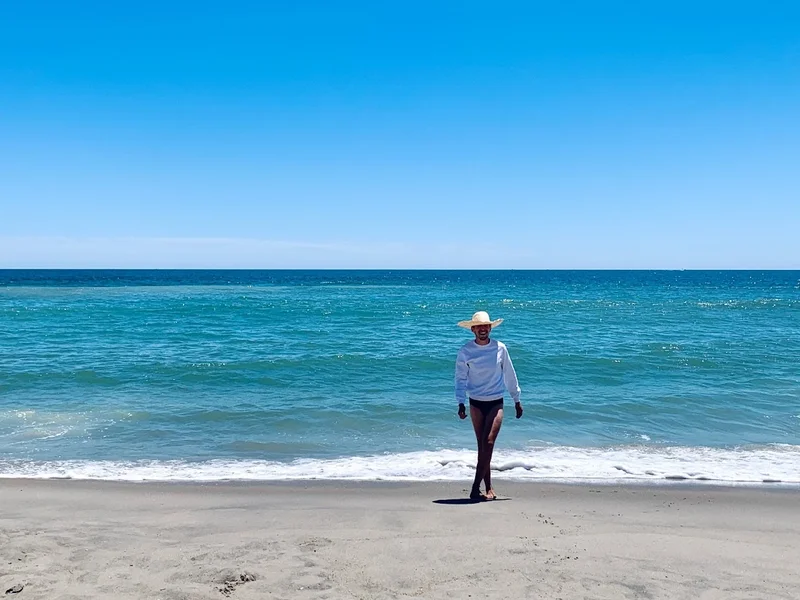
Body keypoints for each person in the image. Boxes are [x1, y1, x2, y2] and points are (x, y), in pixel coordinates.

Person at [454, 311, 523, 501]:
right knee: (482, 446)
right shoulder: (465, 351)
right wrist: (460, 402)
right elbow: (460, 378)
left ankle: (475, 487)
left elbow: (509, 374)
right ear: (473, 330)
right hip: (475, 402)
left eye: (486, 326)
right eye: (479, 327)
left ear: (490, 328)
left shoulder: (500, 348)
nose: (482, 329)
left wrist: (516, 399)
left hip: (495, 401)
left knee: (489, 442)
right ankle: (489, 488)